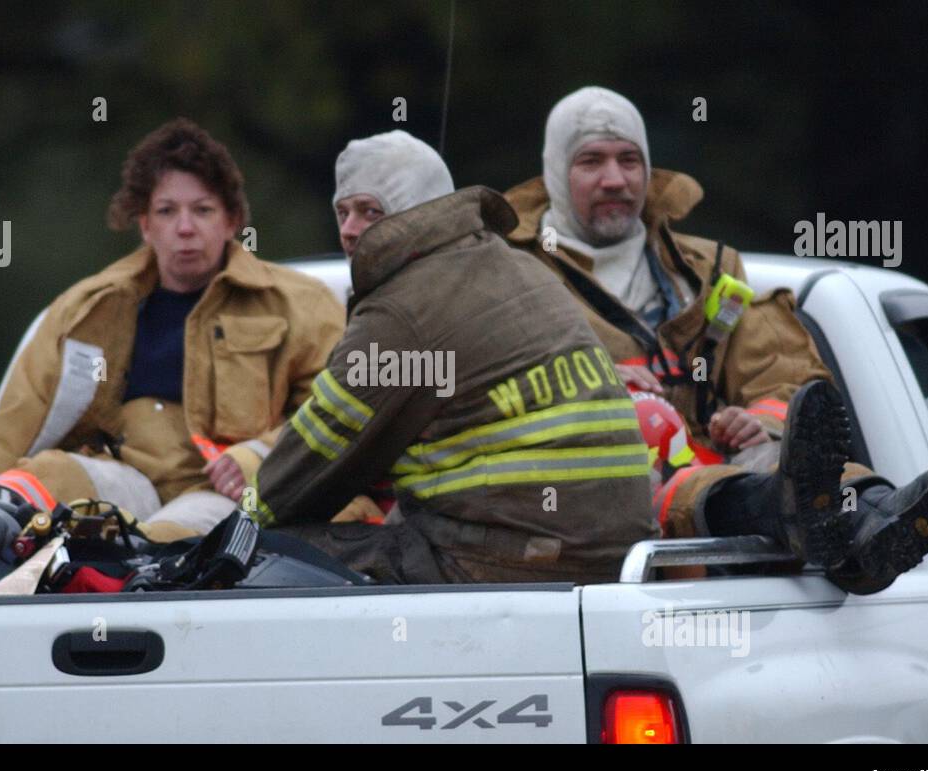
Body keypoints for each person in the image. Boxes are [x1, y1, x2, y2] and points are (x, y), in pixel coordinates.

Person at [504, 87, 928, 592]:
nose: (615, 179)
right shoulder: (510, 278)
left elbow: (787, 374)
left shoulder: (706, 270)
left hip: (722, 472)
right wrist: (589, 379)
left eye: (629, 160)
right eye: (591, 161)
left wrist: (763, 424)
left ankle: (887, 515)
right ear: (554, 173)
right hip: (613, 486)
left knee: (805, 474)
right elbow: (483, 384)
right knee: (719, 488)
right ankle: (859, 552)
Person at [0, 117, 346, 541]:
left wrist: (254, 459)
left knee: (158, 552)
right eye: (167, 211)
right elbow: (7, 436)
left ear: (232, 221)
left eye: (202, 210)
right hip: (124, 481)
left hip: (226, 492)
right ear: (143, 224)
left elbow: (336, 416)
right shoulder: (87, 310)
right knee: (21, 488)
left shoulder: (301, 305)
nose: (185, 228)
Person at [247, 131, 657, 584]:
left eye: (370, 211)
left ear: (415, 211)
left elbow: (311, 460)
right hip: (615, 554)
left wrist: (232, 532)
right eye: (342, 212)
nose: (347, 229)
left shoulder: (404, 310)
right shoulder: (521, 267)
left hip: (516, 562)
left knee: (276, 557)